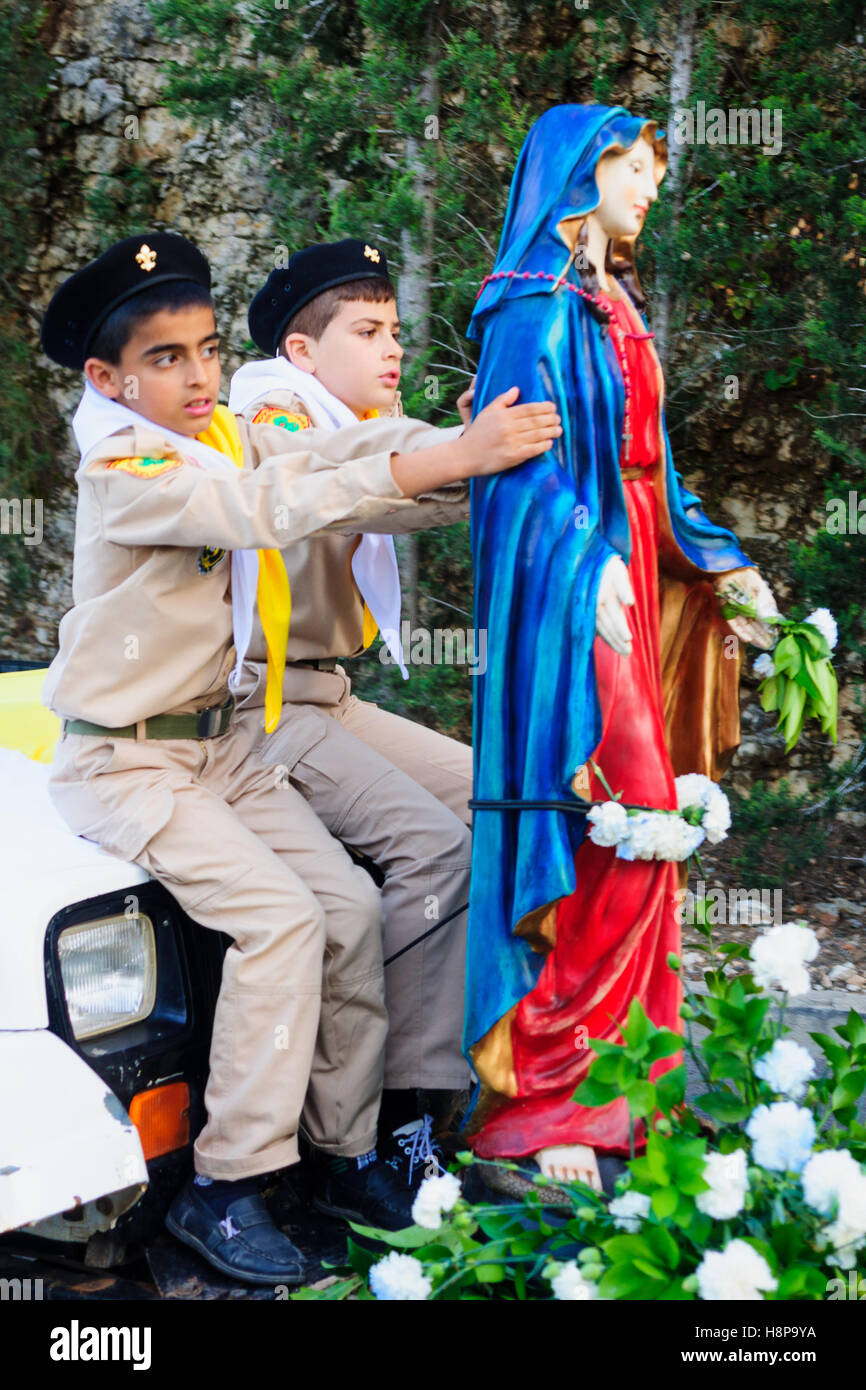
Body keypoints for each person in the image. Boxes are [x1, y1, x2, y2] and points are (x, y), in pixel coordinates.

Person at [39, 230, 562, 1283]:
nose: (197, 376)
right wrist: (449, 461)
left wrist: (469, 454)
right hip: (127, 763)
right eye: (166, 359)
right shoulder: (127, 467)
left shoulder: (218, 433)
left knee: (350, 909)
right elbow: (263, 510)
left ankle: (341, 1151)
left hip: (221, 749)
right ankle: (225, 1186)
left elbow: (329, 461)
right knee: (279, 920)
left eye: (204, 350)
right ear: (107, 380)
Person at [462, 105, 778, 1191]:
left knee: (645, 828)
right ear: (574, 173)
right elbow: (512, 473)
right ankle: (542, 1099)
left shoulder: (611, 306)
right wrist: (581, 564)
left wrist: (719, 563)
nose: (647, 185)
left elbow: (652, 466)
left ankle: (622, 1091)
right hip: (572, 601)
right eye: (630, 167)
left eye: (652, 168)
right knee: (607, 813)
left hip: (633, 578)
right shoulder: (525, 311)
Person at [228, 239, 476, 1176]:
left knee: (494, 799)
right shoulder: (266, 414)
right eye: (367, 330)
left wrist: (469, 446)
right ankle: (402, 1116)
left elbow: (401, 454)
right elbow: (344, 482)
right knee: (435, 845)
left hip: (329, 693)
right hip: (260, 700)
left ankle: (481, 1063)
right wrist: (460, 454)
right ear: (300, 350)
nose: (393, 349)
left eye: (397, 332)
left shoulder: (356, 417)